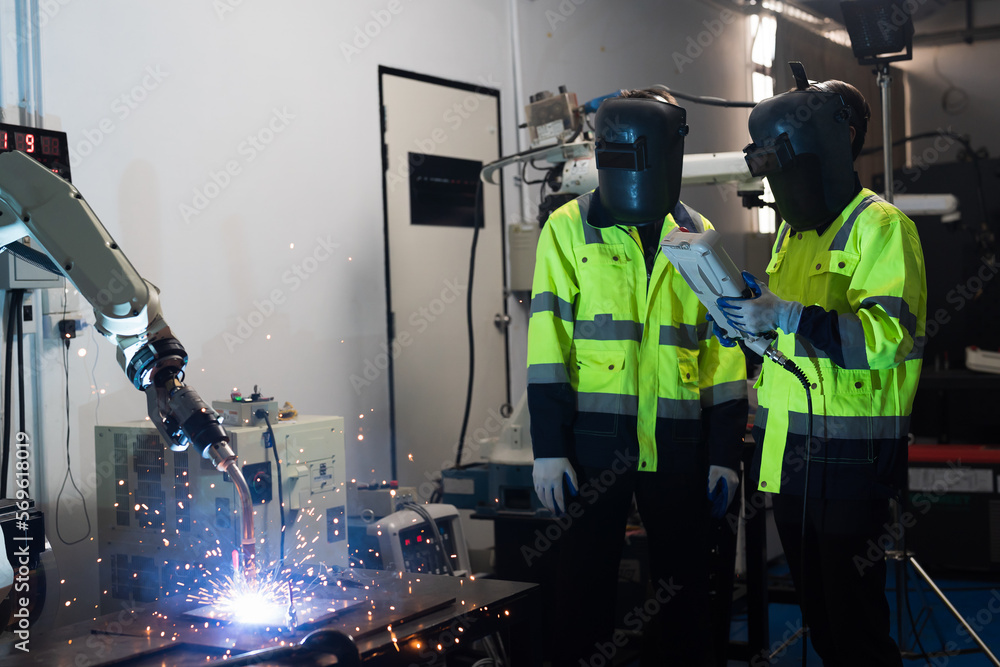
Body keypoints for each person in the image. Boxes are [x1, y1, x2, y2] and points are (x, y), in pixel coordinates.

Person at [527, 88, 749, 666]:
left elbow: (721, 352)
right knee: (581, 595)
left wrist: (724, 450)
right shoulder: (567, 228)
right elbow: (547, 341)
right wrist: (549, 447)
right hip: (593, 446)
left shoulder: (694, 232)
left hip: (679, 447)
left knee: (686, 600)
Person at [717, 63, 926, 667]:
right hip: (791, 450)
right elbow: (785, 341)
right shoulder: (795, 231)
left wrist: (786, 317)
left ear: (842, 138)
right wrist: (742, 323)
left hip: (855, 454)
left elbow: (887, 340)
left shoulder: (881, 226)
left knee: (854, 620)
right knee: (820, 618)